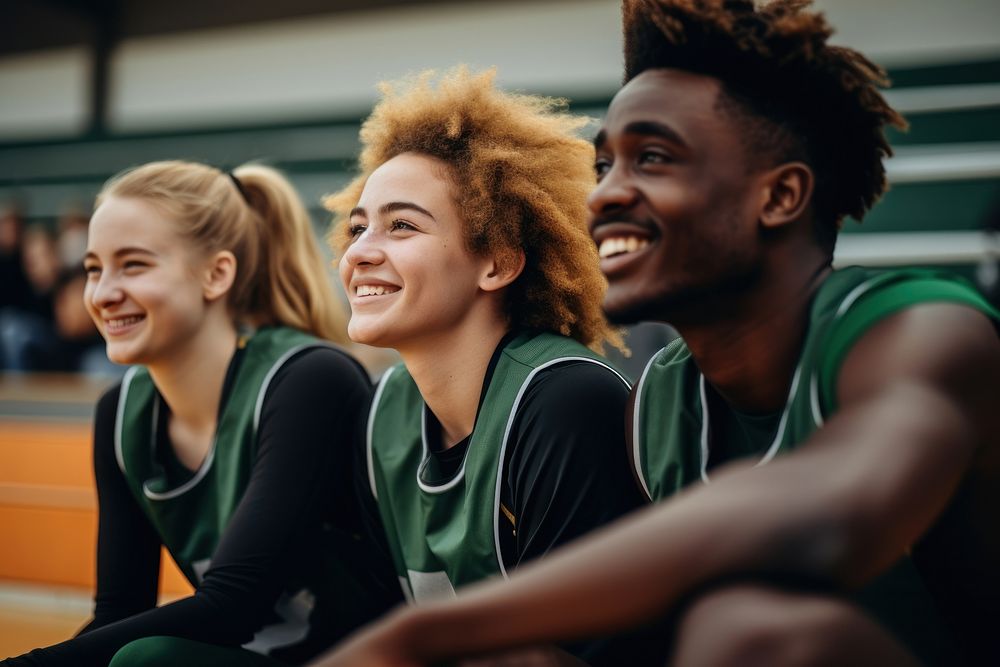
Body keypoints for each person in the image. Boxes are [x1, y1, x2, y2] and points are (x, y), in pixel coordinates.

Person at [310, 1, 1000, 665]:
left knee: (753, 632)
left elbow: (834, 516)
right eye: (606, 164)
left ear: (780, 196)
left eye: (655, 159)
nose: (604, 194)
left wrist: (422, 635)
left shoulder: (923, 330)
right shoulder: (659, 406)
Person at [3, 160, 400, 667]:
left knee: (147, 661)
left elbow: (233, 606)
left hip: (358, 659)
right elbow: (119, 612)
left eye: (134, 265)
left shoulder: (307, 380)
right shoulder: (122, 412)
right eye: (93, 269)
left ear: (217, 274)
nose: (102, 294)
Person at [319, 67, 654, 665]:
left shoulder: (566, 402)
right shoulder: (380, 415)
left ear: (497, 263)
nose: (360, 252)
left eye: (401, 226)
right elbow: (355, 627)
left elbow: (584, 652)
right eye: (358, 226)